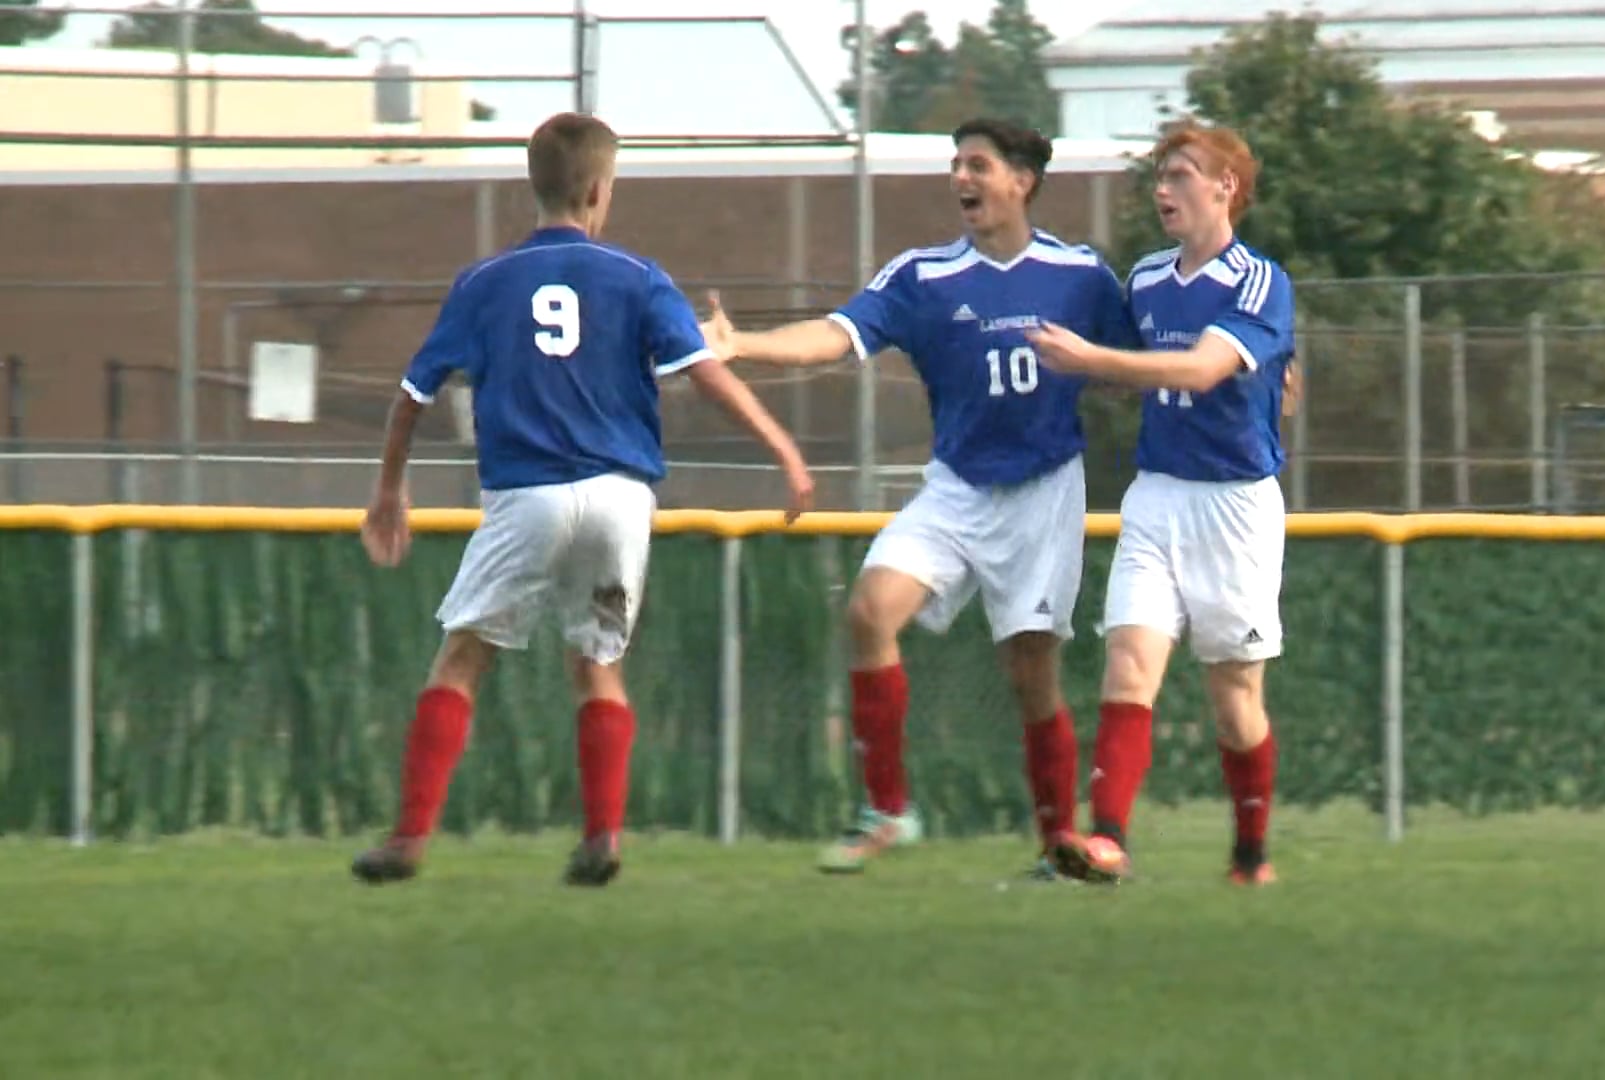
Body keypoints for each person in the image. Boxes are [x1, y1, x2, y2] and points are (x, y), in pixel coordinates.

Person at [350, 112, 813, 888]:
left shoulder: (485, 283)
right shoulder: (637, 277)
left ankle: (408, 841)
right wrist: (784, 450)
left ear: (533, 185)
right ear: (600, 190)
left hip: (526, 496)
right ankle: (602, 837)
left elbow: (412, 394)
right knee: (598, 664)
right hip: (618, 498)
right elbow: (707, 371)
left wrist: (388, 489)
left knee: (462, 659)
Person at [700, 118, 1136, 875]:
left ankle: (1056, 842)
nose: (961, 179)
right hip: (957, 490)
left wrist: (1248, 370)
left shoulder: (1081, 276)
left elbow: (1145, 352)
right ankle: (887, 810)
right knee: (870, 610)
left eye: (978, 165)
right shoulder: (924, 276)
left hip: (1043, 495)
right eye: (956, 164)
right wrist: (746, 345)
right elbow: (837, 333)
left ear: (1021, 181)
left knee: (1032, 671)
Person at [1026, 120, 1293, 887]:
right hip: (1158, 493)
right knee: (1129, 660)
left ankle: (1250, 853)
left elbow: (1204, 369)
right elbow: (1129, 359)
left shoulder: (1256, 280)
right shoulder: (1145, 277)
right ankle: (1106, 840)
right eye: (1159, 176)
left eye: (1180, 175)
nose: (1163, 189)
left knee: (1235, 695)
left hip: (1234, 506)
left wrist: (1090, 359)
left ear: (1225, 187)